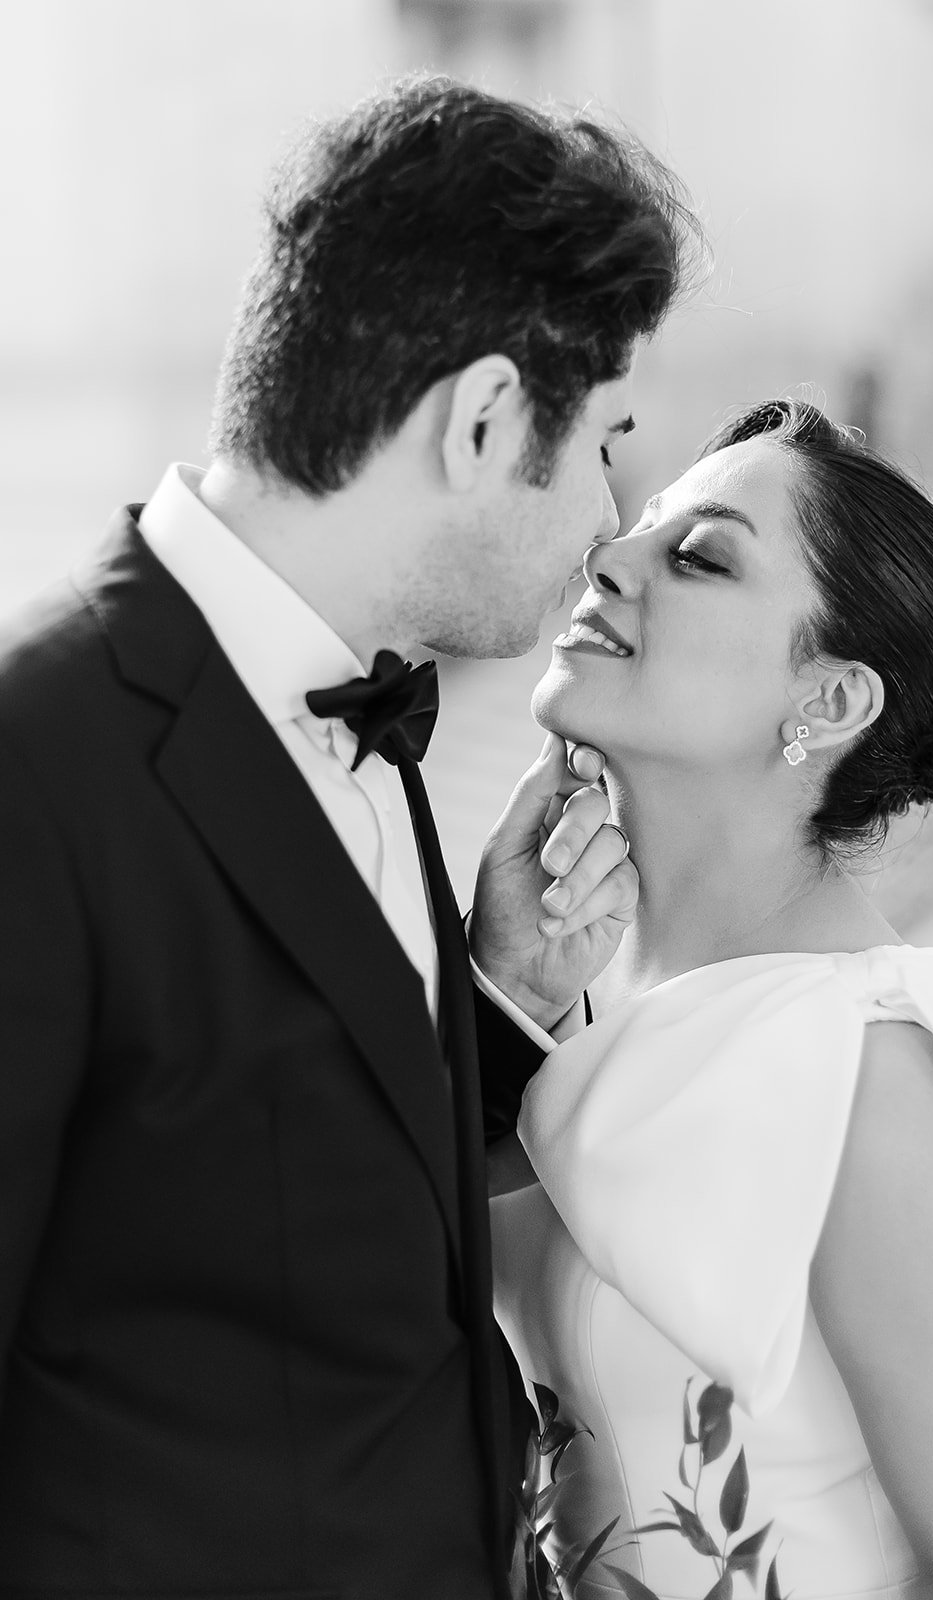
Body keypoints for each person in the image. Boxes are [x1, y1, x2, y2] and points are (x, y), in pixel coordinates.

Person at [0, 76, 700, 1599]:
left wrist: (493, 1000)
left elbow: (273, 1186)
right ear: (484, 419)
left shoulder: (365, 702)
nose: (608, 514)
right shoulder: (31, 766)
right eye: (604, 445)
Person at [490, 398, 933, 1600]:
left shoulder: (874, 1070)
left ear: (830, 701)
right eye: (637, 529)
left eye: (697, 556)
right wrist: (495, 990)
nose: (606, 556)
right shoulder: (591, 1020)